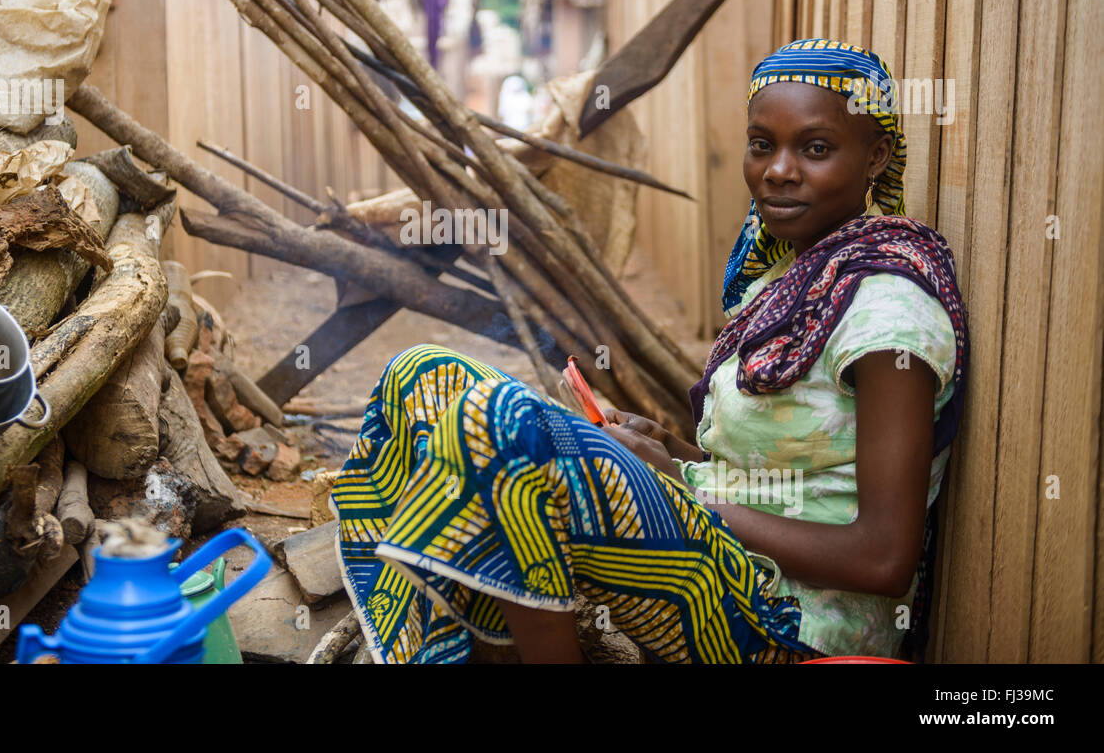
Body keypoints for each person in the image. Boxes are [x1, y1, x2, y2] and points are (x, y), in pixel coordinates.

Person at [330, 38, 969, 663]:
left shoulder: (889, 312)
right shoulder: (800, 278)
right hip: (720, 554)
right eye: (761, 145)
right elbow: (771, 481)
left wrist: (684, 494)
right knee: (425, 376)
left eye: (817, 148)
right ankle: (456, 640)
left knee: (500, 426)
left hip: (787, 620)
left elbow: (884, 558)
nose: (778, 170)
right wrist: (668, 454)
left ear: (878, 156)